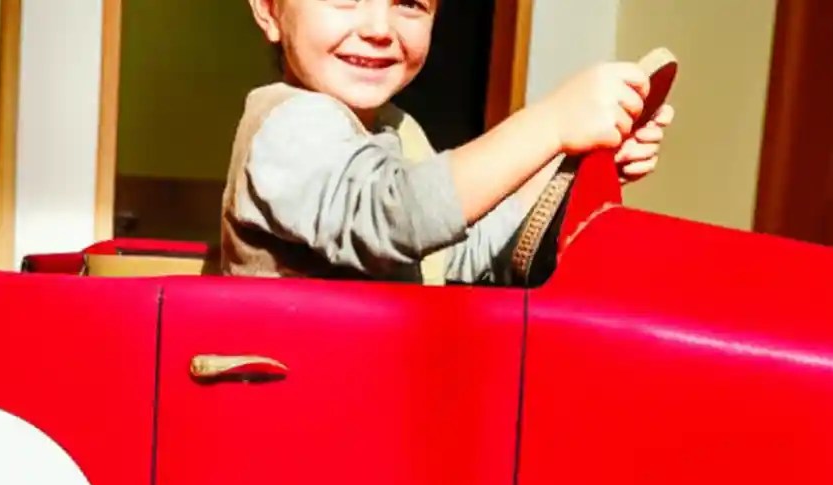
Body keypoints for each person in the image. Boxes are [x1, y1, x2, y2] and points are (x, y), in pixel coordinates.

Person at [215, 0, 674, 285]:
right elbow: (396, 217)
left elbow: (460, 258)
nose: (379, 27)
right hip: (295, 414)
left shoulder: (396, 130)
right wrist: (550, 123)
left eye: (410, 3)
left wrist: (571, 163)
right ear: (268, 10)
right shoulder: (288, 126)